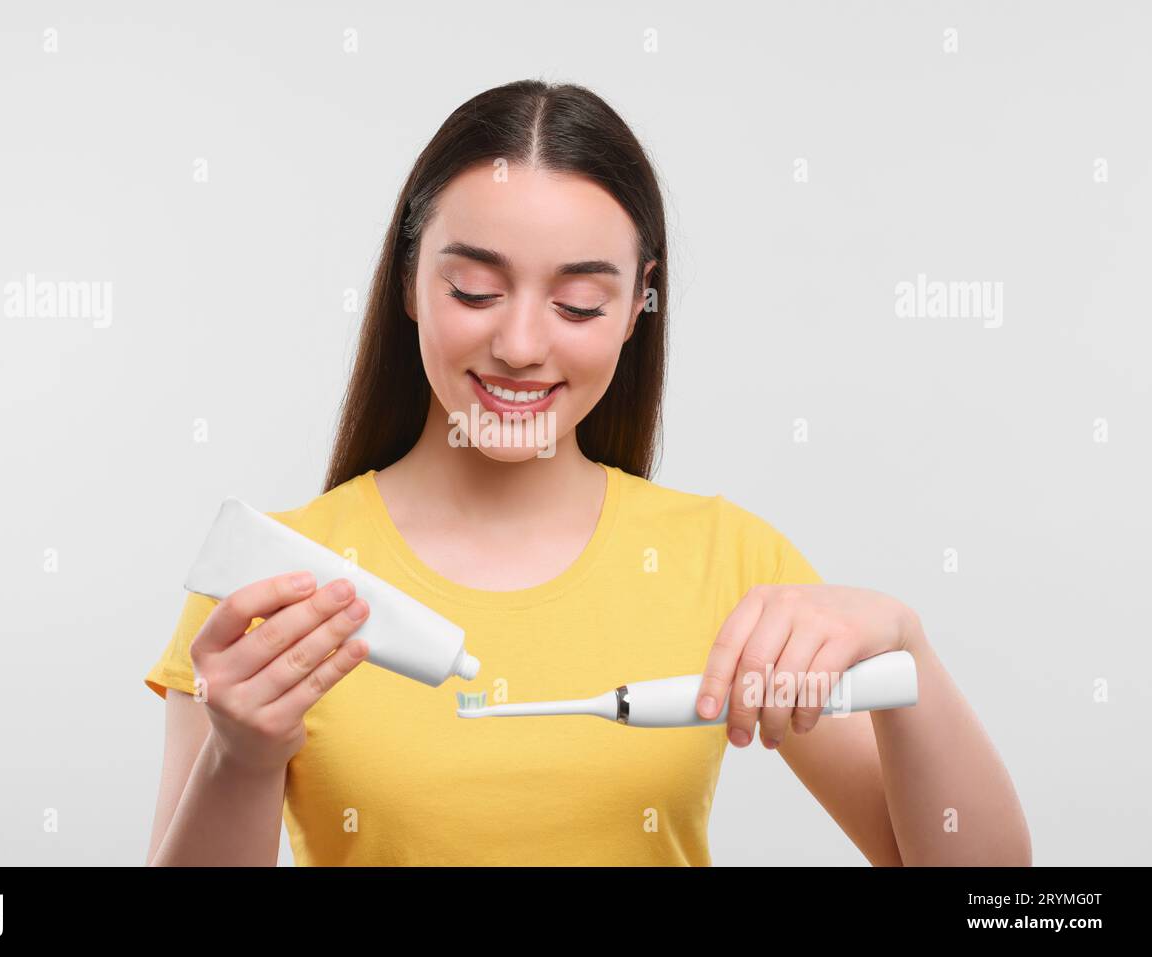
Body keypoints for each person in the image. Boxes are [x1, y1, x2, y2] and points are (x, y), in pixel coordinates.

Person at [144, 79, 1030, 866]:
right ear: (408, 281)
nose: (522, 345)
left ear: (640, 303)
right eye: (476, 292)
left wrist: (907, 645)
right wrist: (243, 755)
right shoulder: (272, 583)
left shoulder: (729, 563)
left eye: (578, 303)